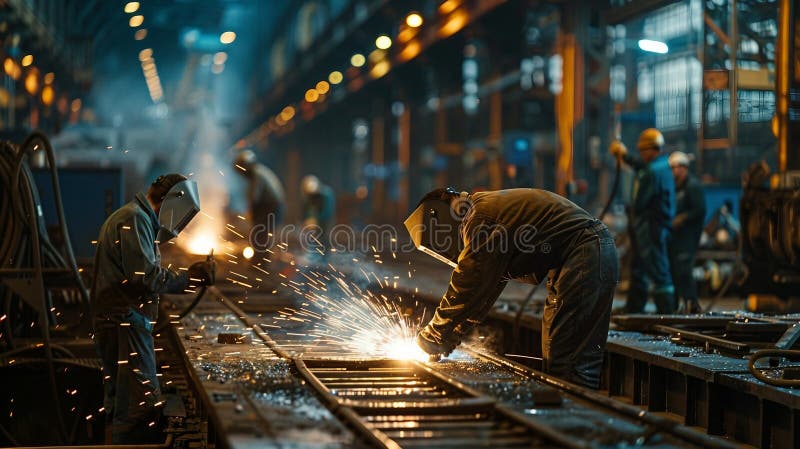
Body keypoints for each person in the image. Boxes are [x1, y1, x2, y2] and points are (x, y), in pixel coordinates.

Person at [406, 187, 618, 389]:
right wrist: (447, 337)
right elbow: (480, 296)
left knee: (568, 361)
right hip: (582, 255)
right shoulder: (485, 213)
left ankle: (576, 420)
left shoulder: (480, 218)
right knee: (560, 356)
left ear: (439, 217)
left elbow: (467, 285)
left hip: (585, 253)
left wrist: (433, 336)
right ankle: (572, 413)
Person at [91, 174, 215, 443]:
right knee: (139, 408)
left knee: (120, 405)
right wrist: (188, 278)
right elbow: (144, 276)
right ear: (170, 202)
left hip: (121, 322)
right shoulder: (135, 219)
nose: (179, 226)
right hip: (125, 323)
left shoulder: (134, 217)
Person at [609, 128, 676, 314]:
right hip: (648, 227)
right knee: (638, 267)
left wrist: (631, 212)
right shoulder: (659, 165)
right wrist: (624, 155)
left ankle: (666, 311)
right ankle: (634, 306)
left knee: (658, 269)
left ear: (652, 149)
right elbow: (640, 166)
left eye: (642, 150)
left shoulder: (653, 172)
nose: (640, 154)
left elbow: (639, 203)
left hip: (651, 227)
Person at [667, 151, 706, 313]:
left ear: (685, 168)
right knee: (674, 271)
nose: (675, 171)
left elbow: (700, 210)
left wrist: (683, 218)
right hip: (675, 236)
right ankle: (675, 306)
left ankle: (692, 304)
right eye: (673, 168)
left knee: (684, 269)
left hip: (688, 236)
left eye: (678, 168)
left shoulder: (693, 186)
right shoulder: (674, 187)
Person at [234, 149, 285, 233]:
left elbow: (254, 198)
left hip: (271, 207)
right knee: (260, 232)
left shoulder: (256, 174)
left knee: (260, 233)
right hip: (271, 206)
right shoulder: (258, 172)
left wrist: (249, 212)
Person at [301, 174, 335, 250]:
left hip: (325, 221)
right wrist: (307, 219)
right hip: (315, 221)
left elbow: (327, 212)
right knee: (310, 238)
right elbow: (307, 209)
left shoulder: (326, 194)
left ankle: (324, 256)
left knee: (323, 237)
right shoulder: (308, 195)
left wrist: (316, 220)